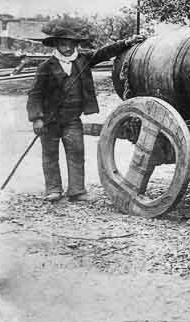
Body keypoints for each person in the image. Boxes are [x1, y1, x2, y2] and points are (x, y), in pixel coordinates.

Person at [27, 17, 145, 203]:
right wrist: (37, 118)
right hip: (50, 119)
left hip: (73, 118)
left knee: (76, 152)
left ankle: (76, 190)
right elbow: (34, 94)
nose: (67, 48)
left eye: (70, 44)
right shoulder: (45, 67)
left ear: (75, 44)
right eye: (62, 44)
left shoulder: (82, 60)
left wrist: (127, 42)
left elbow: (103, 52)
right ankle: (53, 189)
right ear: (56, 45)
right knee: (50, 155)